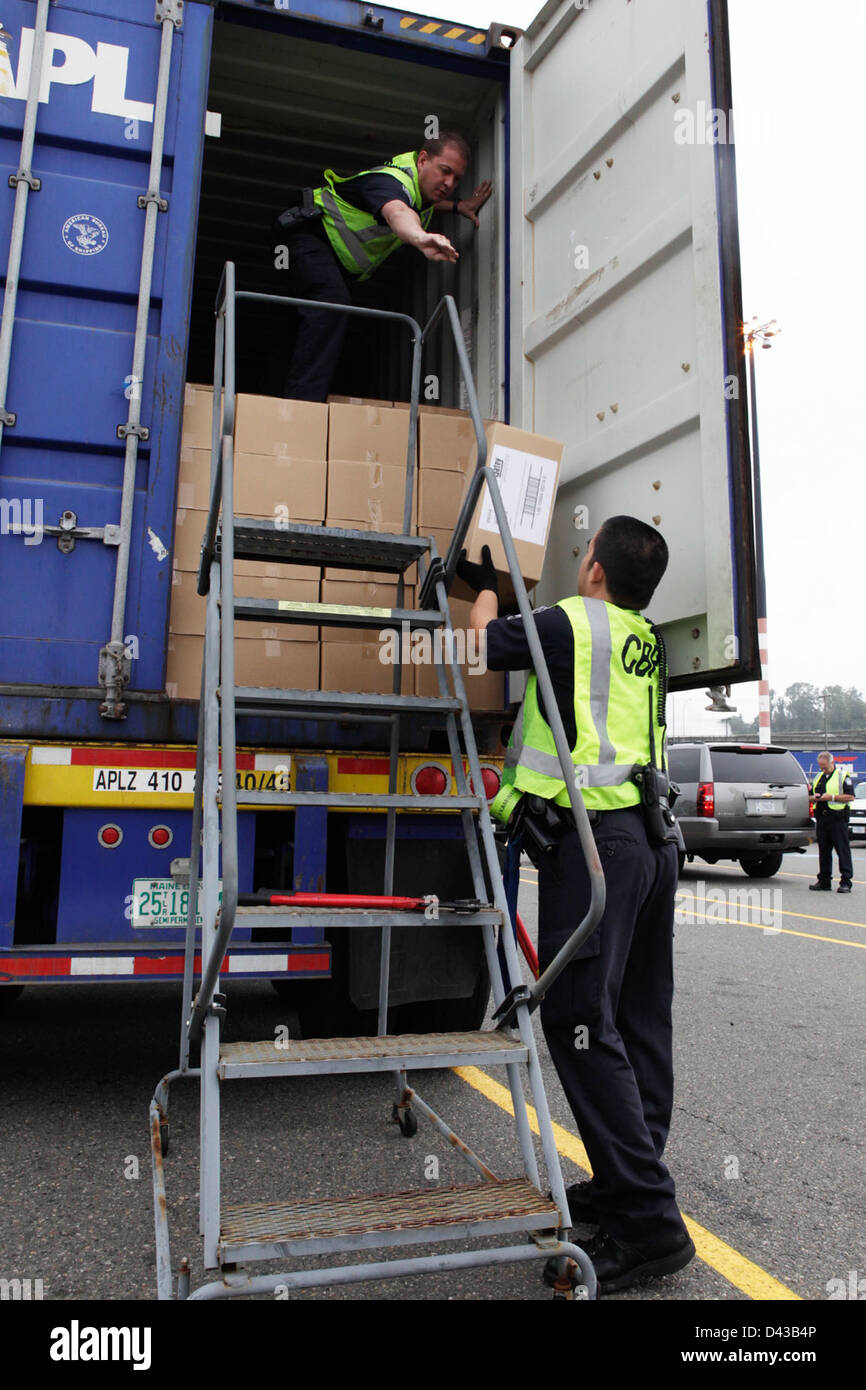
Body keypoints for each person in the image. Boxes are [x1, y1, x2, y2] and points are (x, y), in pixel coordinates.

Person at [458, 518, 695, 1295]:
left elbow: (480, 650)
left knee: (580, 1023)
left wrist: (484, 593)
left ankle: (651, 1225)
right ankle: (630, 1183)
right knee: (635, 1020)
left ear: (593, 570)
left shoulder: (570, 621)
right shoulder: (644, 637)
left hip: (597, 848)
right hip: (653, 843)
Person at [273, 133, 492, 401]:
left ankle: (279, 391)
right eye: (445, 171)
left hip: (332, 256)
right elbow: (399, 211)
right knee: (331, 301)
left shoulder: (420, 188)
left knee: (311, 321)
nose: (449, 183)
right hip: (311, 236)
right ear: (423, 160)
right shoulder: (390, 182)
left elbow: (425, 203)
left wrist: (460, 206)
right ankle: (302, 406)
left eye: (457, 178)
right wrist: (420, 237)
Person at [809, 752, 854, 893]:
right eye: (821, 767)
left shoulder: (842, 776)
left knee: (842, 851)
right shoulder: (818, 777)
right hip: (822, 819)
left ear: (832, 763)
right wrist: (813, 798)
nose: (823, 770)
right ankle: (824, 881)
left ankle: (846, 882)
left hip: (838, 818)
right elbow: (812, 794)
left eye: (825, 767)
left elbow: (850, 796)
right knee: (824, 851)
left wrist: (831, 797)